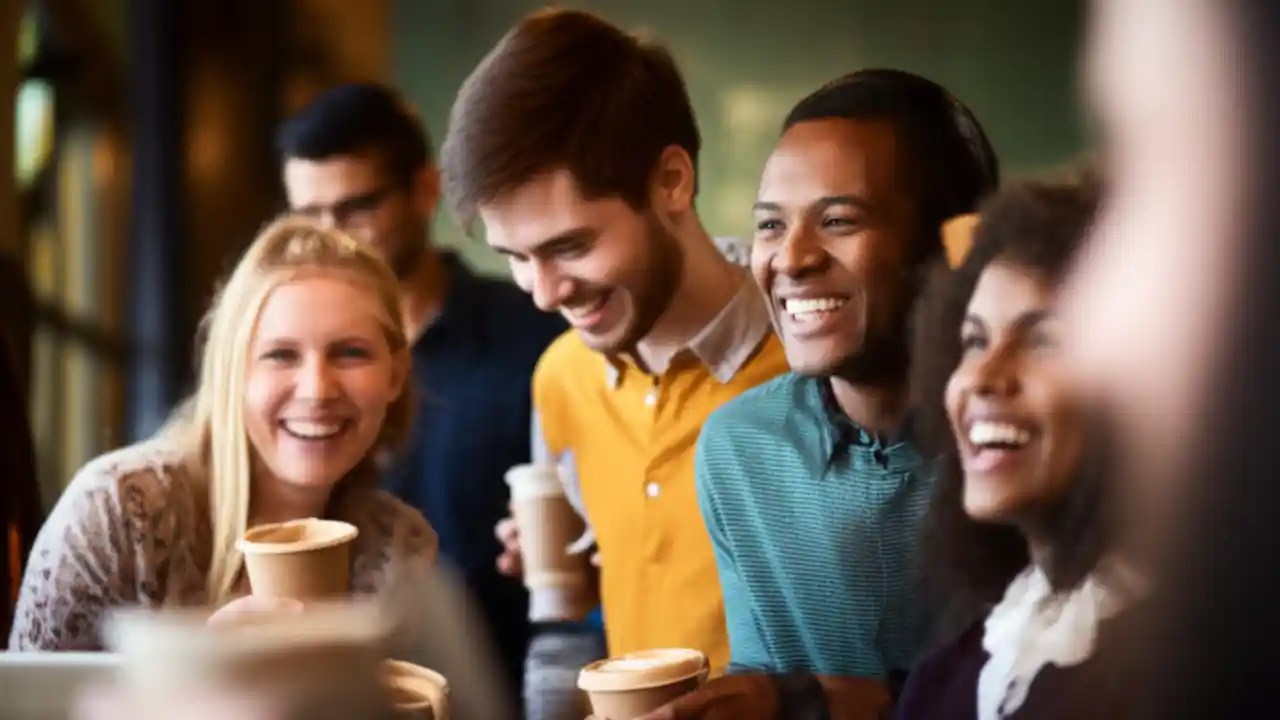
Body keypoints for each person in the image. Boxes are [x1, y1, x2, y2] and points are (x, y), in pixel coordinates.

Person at [440, 6, 791, 696]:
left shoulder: (808, 363)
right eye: (515, 256)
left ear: (670, 182)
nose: (542, 294)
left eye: (570, 246)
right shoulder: (561, 377)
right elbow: (575, 627)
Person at [645, 70, 998, 719]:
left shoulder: (1017, 445)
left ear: (951, 247)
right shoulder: (740, 447)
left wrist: (821, 704)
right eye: (771, 226)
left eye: (838, 220)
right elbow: (767, 671)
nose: (791, 258)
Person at [9, 216, 438, 650]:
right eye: (281, 354)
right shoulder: (117, 513)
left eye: (350, 353)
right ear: (231, 372)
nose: (317, 390)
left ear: (396, 374)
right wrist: (198, 679)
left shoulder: (398, 546)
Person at [276, 83, 565, 708]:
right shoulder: (280, 376)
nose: (332, 239)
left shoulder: (538, 334)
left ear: (425, 190)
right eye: (309, 215)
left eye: (356, 208)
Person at [895, 177, 1143, 718]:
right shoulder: (951, 670)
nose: (983, 376)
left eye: (1042, 341)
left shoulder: (1202, 664)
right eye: (974, 341)